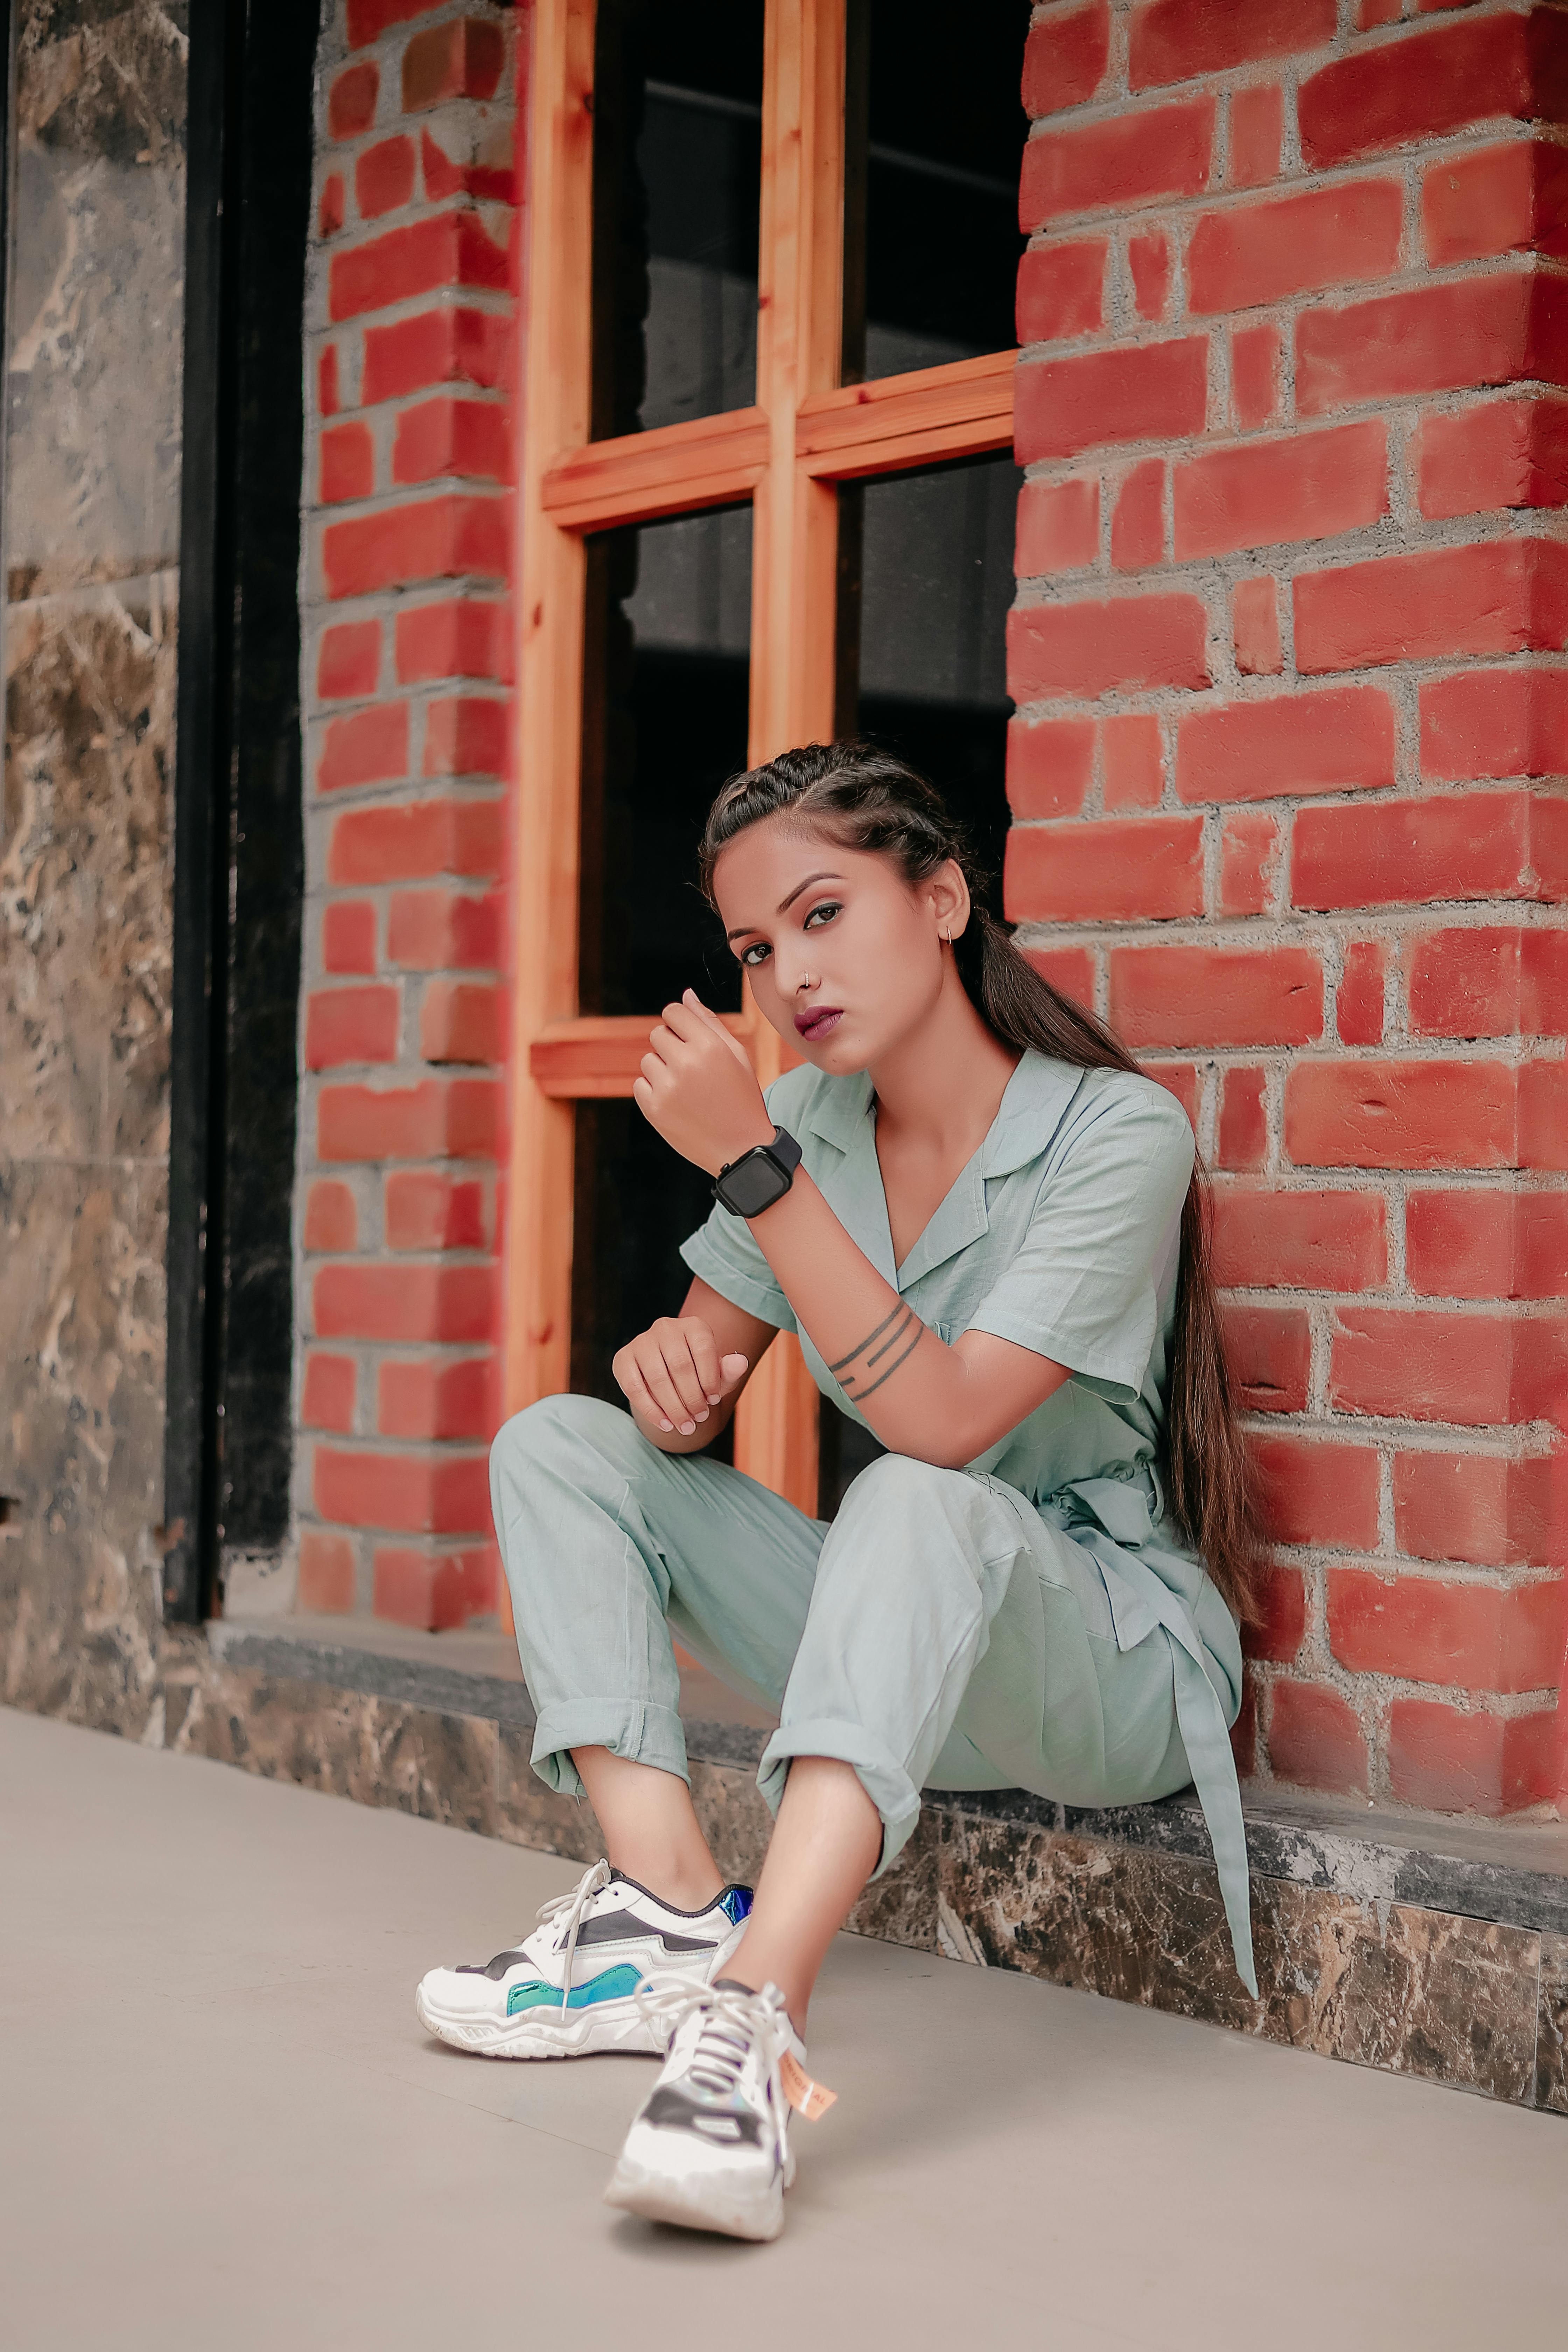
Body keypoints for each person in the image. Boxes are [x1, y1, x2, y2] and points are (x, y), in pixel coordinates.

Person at [415, 742, 1263, 2242]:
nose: (788, 973)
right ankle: (671, 1907)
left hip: (1105, 1660)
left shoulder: (1115, 1132)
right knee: (557, 1443)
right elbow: (698, 1366)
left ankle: (753, 2026)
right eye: (755, 947)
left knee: (915, 1499)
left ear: (940, 898)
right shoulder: (810, 1125)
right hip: (902, 1629)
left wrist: (750, 1158)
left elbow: (940, 1427)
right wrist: (670, 1379)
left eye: (822, 915)